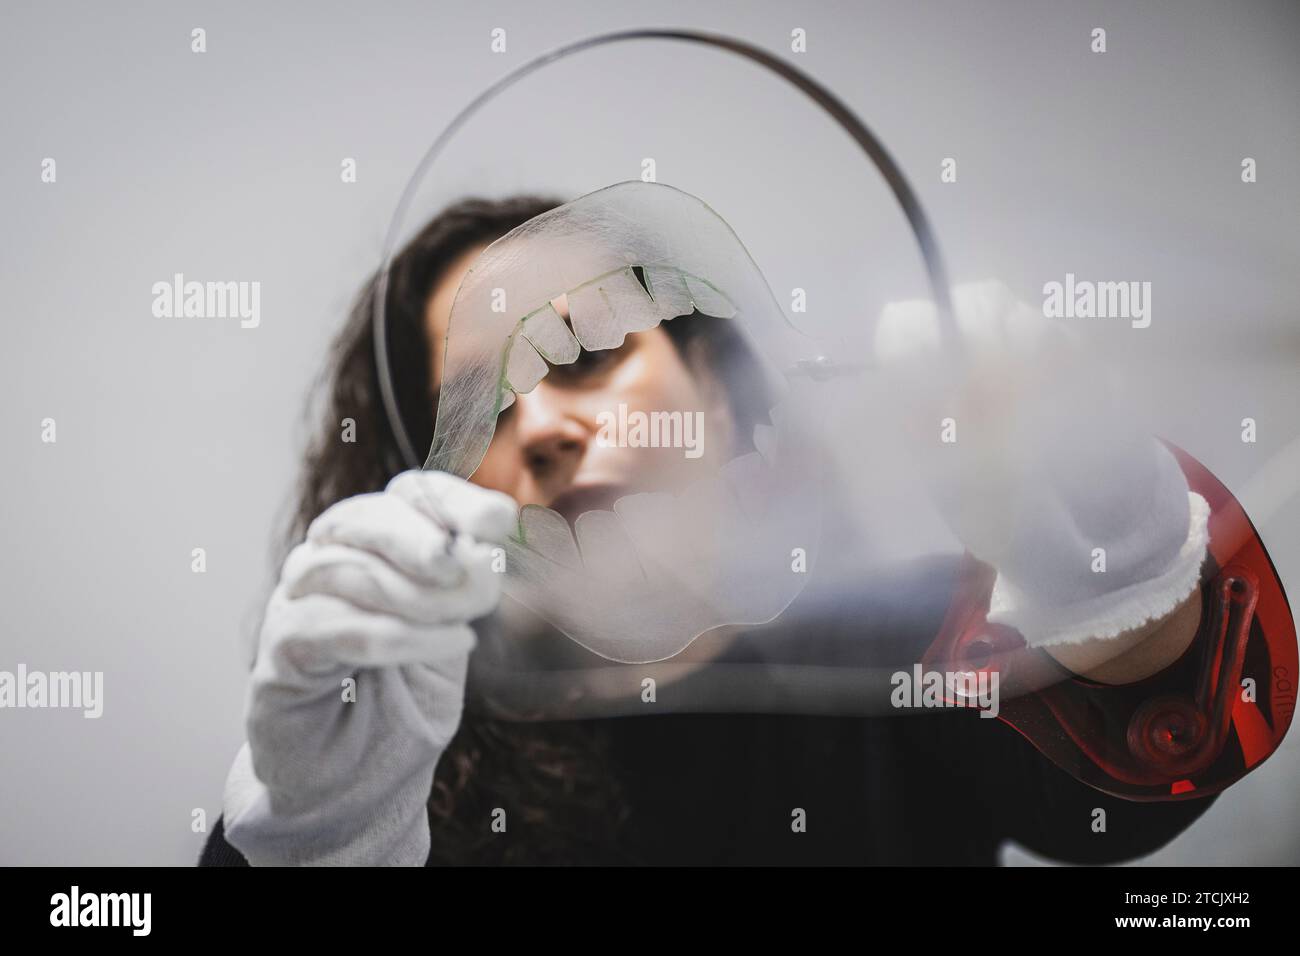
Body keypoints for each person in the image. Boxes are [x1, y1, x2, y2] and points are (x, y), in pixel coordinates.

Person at [198, 194, 1276, 866]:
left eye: (578, 356)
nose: (546, 429)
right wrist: (316, 842)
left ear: (713, 383)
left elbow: (1130, 782)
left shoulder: (911, 645)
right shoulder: (389, 756)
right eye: (468, 410)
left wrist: (1114, 562)